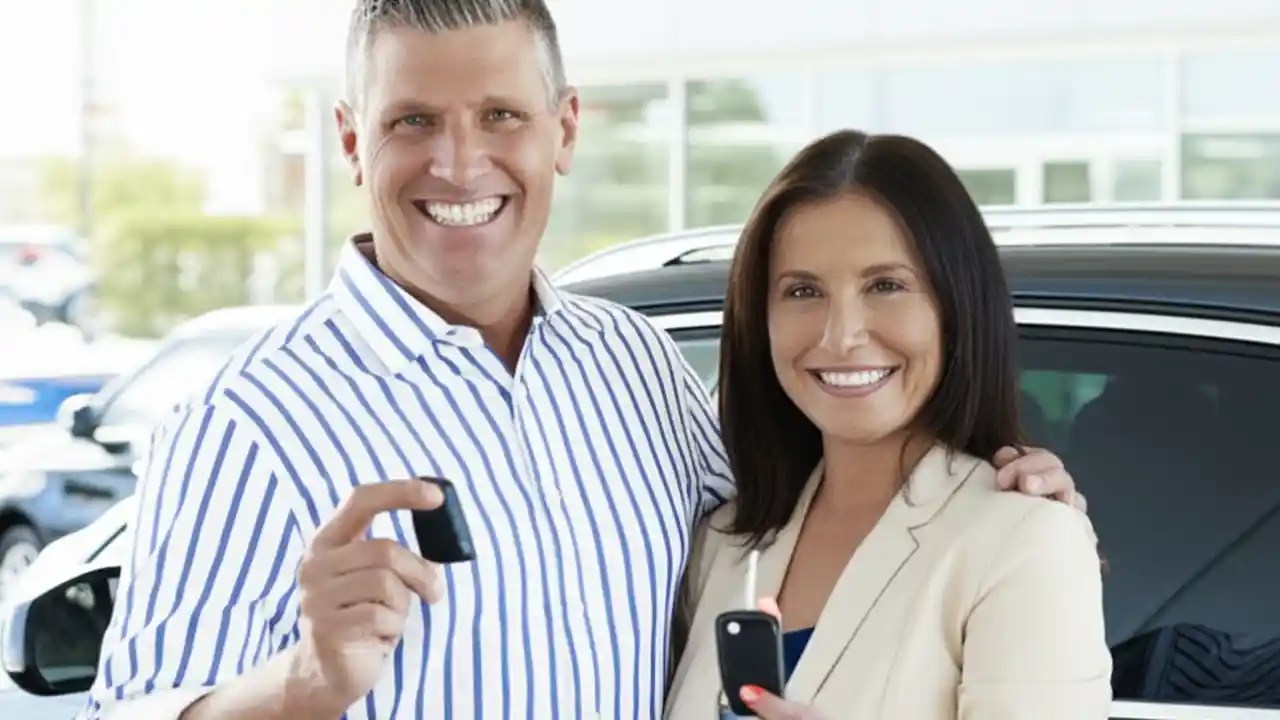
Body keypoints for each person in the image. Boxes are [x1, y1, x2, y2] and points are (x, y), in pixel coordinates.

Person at [82, 3, 1086, 719]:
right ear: (351, 140)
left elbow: (822, 513)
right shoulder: (243, 422)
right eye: (411, 122)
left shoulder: (637, 368)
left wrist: (1009, 501)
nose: (459, 163)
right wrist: (300, 687)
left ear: (562, 131)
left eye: (500, 116)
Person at [664, 130, 1111, 720]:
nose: (839, 335)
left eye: (886, 286)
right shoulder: (723, 544)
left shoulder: (1025, 541)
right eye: (802, 291)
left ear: (956, 305)